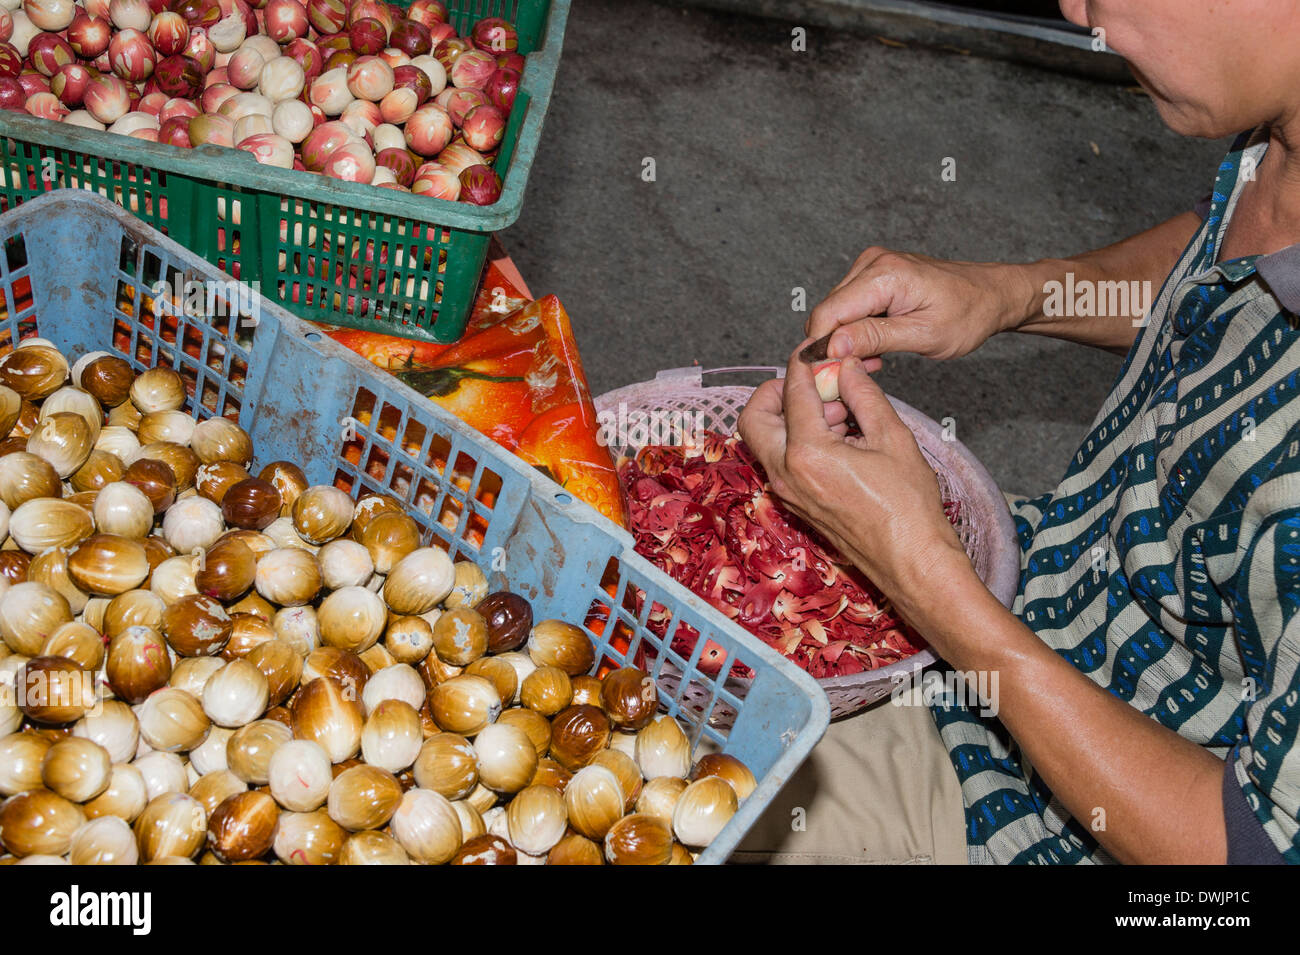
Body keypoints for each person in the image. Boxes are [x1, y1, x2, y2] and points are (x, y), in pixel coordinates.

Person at [733, 0, 1300, 864]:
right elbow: (1227, 259)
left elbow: (1250, 856)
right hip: (1036, 601)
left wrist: (920, 570)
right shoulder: (1280, 124)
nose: (1077, 8)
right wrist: (1015, 295)